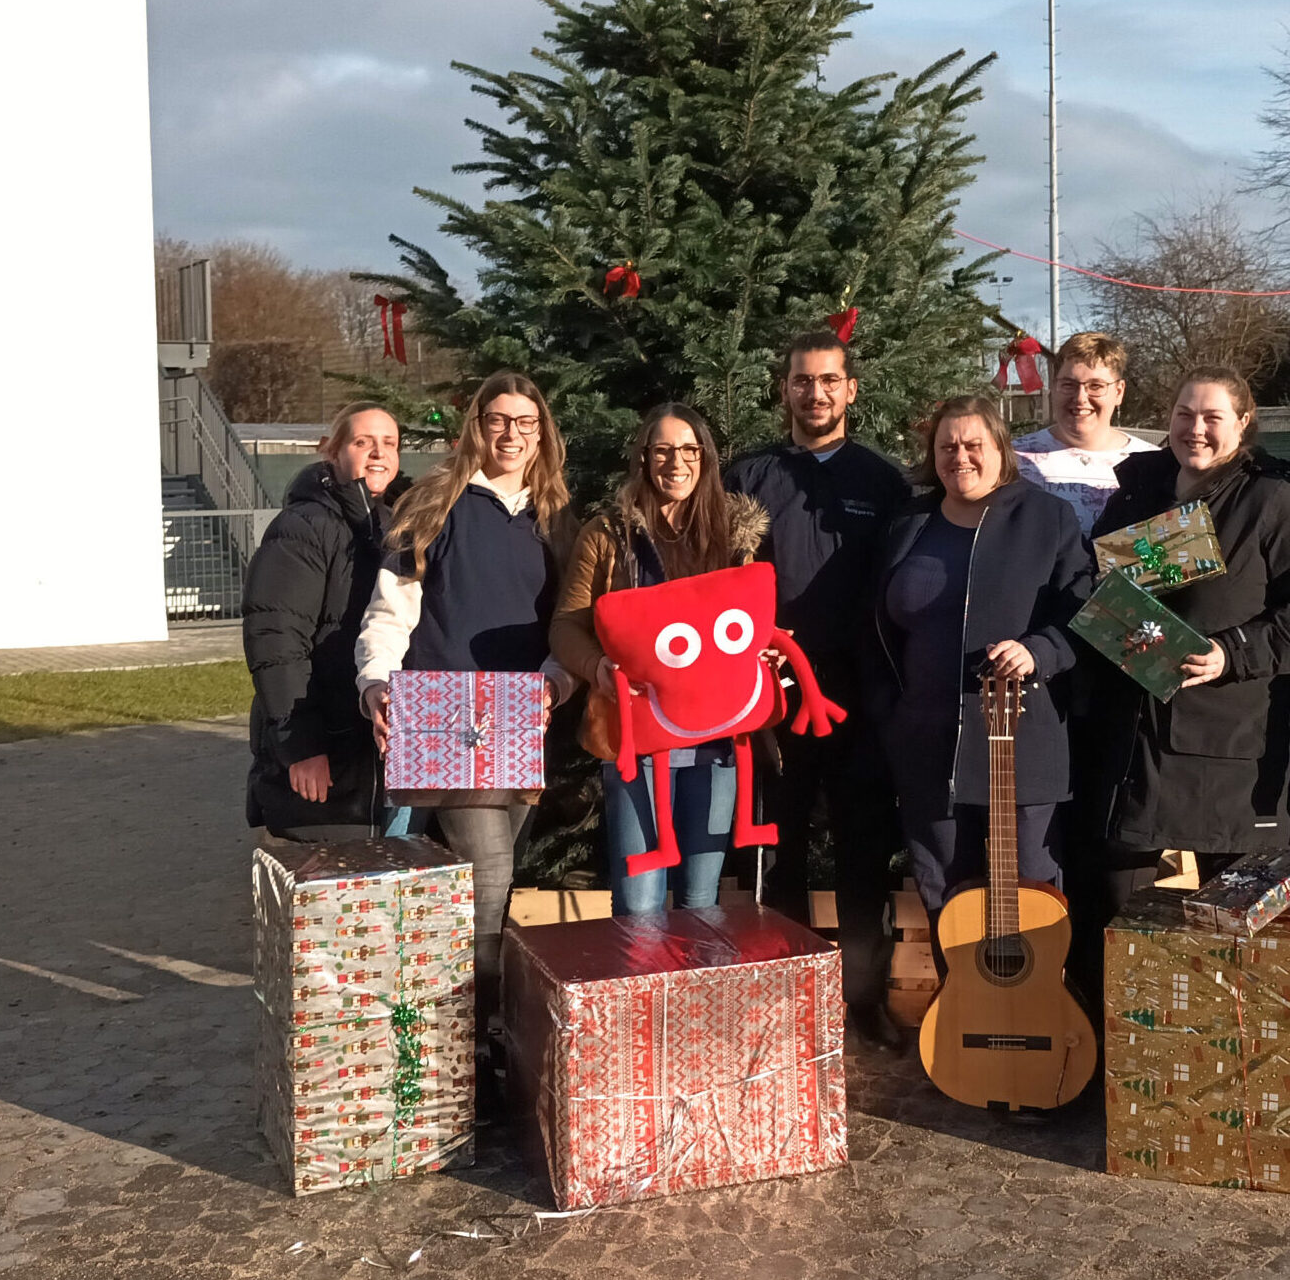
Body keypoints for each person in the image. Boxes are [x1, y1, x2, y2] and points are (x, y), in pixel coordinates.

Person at [354, 372, 577, 1044]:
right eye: (499, 420)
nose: (512, 434)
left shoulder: (557, 519)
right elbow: (390, 612)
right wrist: (375, 681)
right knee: (490, 877)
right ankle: (477, 1041)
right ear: (477, 426)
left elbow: (571, 627)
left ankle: (453, 1034)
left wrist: (555, 683)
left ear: (543, 433)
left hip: (521, 722)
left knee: (487, 882)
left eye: (526, 422)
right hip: (443, 715)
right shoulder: (433, 503)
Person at [1083, 367, 1290, 927]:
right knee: (1119, 922)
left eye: (1211, 417)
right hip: (1133, 744)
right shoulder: (1138, 493)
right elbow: (1096, 584)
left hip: (1227, 755)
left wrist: (1233, 652)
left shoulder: (1274, 502)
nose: (1194, 429)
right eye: (1183, 415)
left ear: (1244, 424)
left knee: (1226, 930)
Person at [725, 329, 915, 1049]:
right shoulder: (749, 475)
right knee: (778, 854)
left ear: (851, 389)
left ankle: (864, 1000)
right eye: (802, 381)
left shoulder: (883, 481)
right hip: (770, 696)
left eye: (829, 380)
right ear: (785, 390)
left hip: (861, 698)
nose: (816, 393)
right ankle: (785, 998)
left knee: (864, 854)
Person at [868, 394, 1093, 929]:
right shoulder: (909, 525)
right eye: (947, 446)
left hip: (1019, 742)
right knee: (946, 898)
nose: (959, 457)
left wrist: (1039, 650)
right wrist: (890, 717)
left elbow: (1087, 612)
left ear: (1001, 449)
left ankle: (1037, 1012)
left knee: (1032, 894)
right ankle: (961, 1010)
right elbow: (877, 630)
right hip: (928, 747)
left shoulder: (1047, 519)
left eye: (974, 445)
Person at [552, 404, 768, 917]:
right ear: (645, 458)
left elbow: (747, 627)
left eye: (689, 449)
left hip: (716, 744)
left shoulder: (734, 538)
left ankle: (696, 998)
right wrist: (596, 667)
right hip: (636, 740)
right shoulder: (608, 535)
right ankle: (641, 998)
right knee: (641, 903)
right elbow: (566, 625)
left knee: (701, 900)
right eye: (663, 450)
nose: (677, 462)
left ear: (706, 457)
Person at [244, 402, 409, 843]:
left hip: (374, 753)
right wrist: (302, 747)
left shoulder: (395, 527)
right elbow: (276, 640)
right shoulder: (303, 527)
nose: (378, 453)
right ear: (331, 452)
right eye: (362, 442)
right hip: (325, 756)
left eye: (389, 443)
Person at [1013, 331, 1160, 537]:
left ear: (1119, 392)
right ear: (1054, 387)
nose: (1080, 398)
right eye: (1068, 385)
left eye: (1096, 386)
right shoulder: (1011, 459)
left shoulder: (1155, 463)